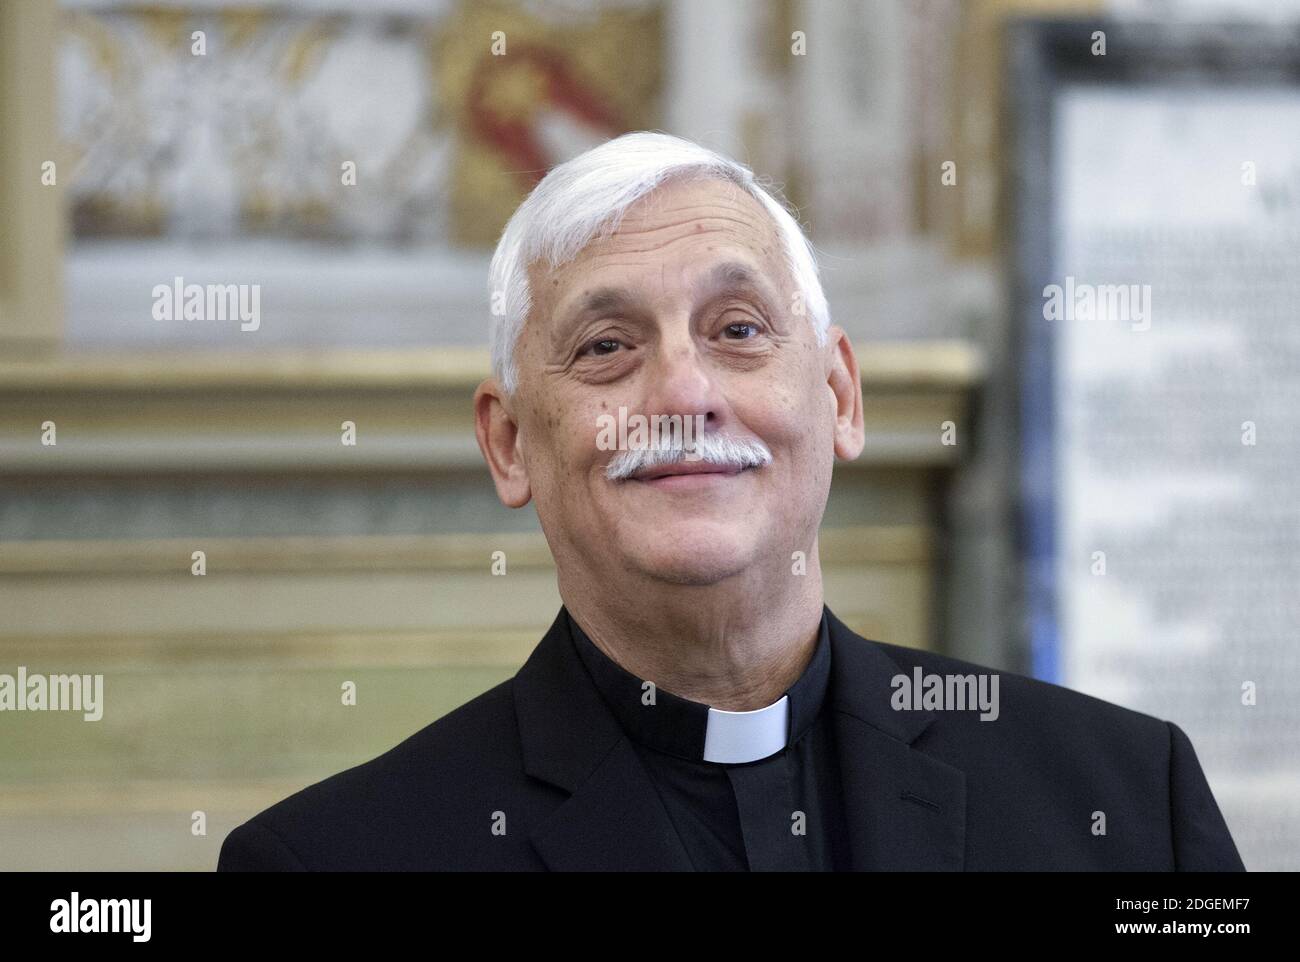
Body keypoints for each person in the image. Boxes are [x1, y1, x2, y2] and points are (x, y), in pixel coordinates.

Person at [218, 132, 1244, 871]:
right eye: (607, 346)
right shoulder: (331, 858)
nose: (683, 393)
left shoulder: (1124, 797)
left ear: (839, 396)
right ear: (509, 440)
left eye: (739, 329)